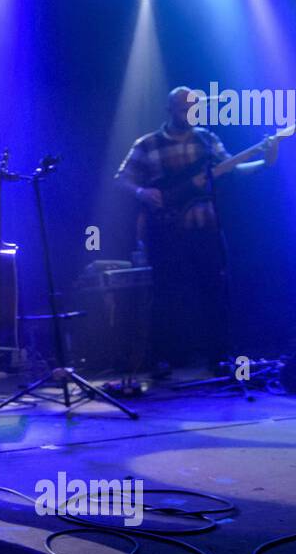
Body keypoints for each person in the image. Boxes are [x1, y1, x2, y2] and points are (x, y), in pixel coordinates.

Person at [115, 86, 277, 376]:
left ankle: (218, 357)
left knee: (214, 290)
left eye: (193, 108)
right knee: (166, 295)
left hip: (205, 228)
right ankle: (162, 358)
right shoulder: (147, 144)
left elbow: (234, 170)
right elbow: (121, 180)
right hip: (165, 230)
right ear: (170, 110)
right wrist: (141, 192)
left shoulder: (207, 139)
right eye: (182, 108)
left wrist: (265, 160)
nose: (189, 114)